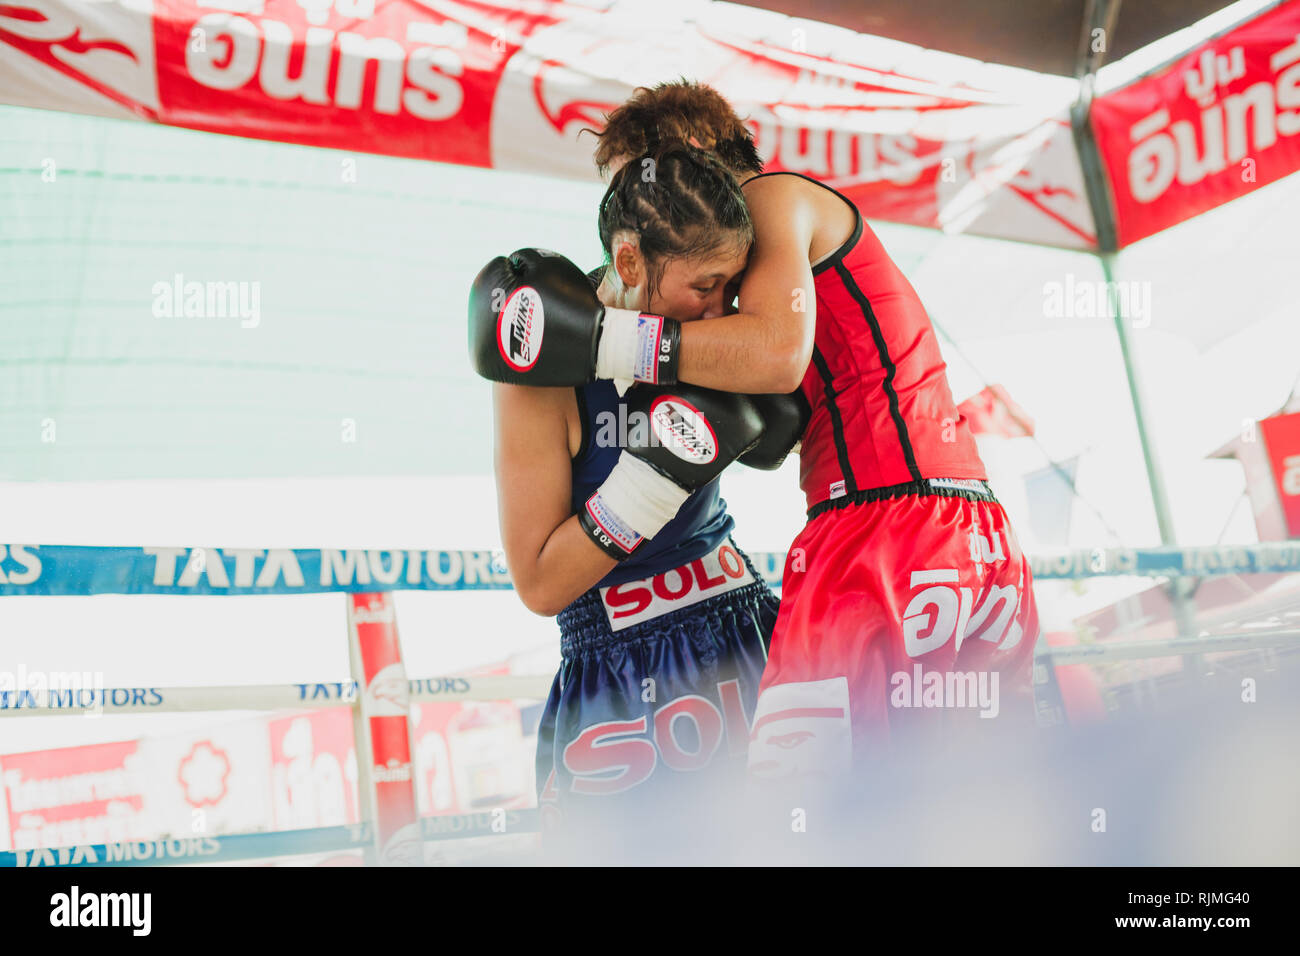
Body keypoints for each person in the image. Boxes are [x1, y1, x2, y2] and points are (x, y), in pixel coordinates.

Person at [472, 81, 1040, 780]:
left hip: (878, 540)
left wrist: (597, 344)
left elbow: (776, 358)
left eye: (645, 184)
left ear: (697, 160)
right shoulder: (630, 322)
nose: (633, 211)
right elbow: (538, 580)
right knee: (955, 796)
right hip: (957, 534)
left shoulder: (767, 216)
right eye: (623, 195)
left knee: (827, 813)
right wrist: (647, 473)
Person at [469, 145, 786, 860]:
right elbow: (540, 580)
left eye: (731, 285)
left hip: (747, 632)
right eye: (706, 284)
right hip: (619, 672)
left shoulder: (714, 329)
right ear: (632, 262)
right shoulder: (541, 360)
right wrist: (653, 481)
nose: (720, 307)